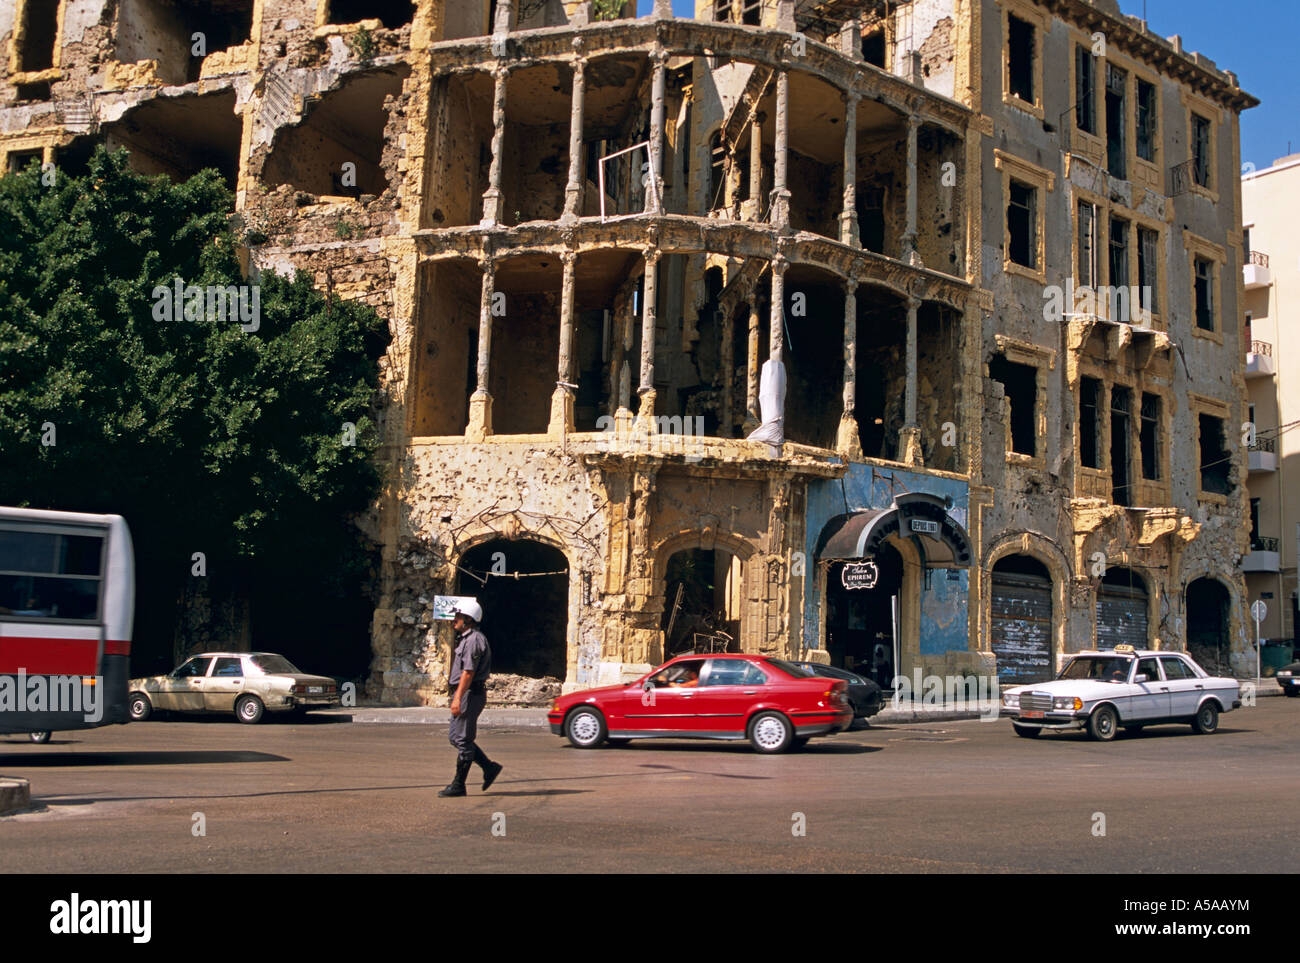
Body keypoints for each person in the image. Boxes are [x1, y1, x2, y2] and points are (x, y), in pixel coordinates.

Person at [438, 600, 503, 798]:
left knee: (462, 738)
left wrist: (457, 698)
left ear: (469, 619)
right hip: (466, 693)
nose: (453, 621)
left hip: (470, 693)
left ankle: (459, 785)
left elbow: (468, 672)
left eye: (457, 617)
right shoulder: (466, 638)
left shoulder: (474, 640)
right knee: (456, 737)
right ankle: (489, 768)